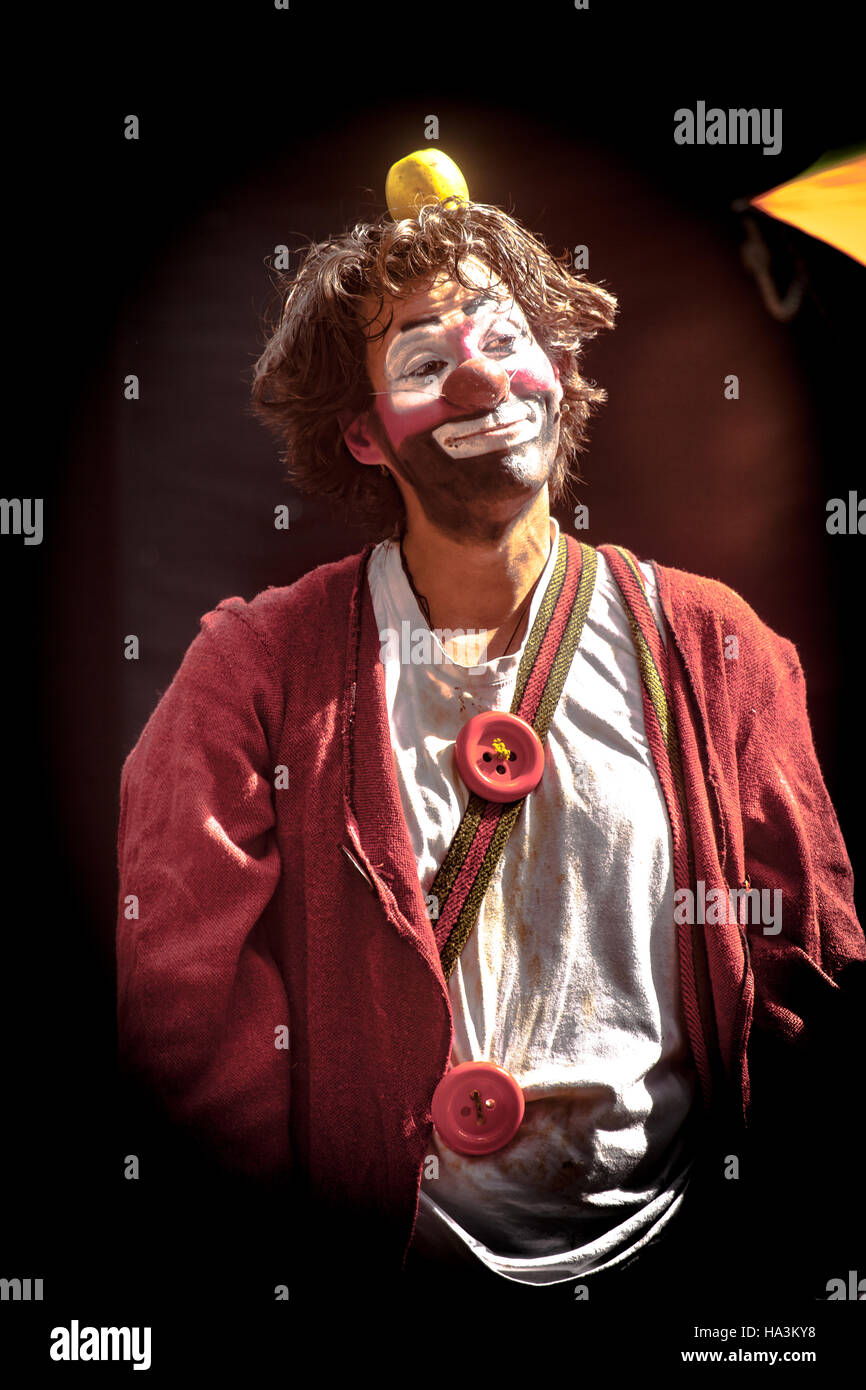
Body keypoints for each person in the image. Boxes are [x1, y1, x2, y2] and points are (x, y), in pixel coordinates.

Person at [116, 195, 864, 1309]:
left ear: (556, 367)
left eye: (504, 338)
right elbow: (176, 999)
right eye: (423, 360)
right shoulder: (254, 667)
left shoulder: (722, 649)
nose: (478, 382)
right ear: (365, 433)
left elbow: (807, 968)